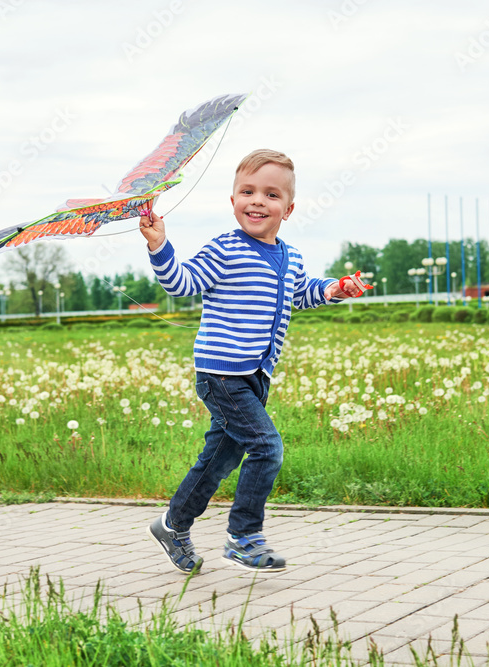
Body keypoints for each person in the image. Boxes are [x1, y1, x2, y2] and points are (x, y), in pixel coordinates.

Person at [139, 148, 368, 573]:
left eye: (271, 194)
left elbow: (300, 294)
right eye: (247, 192)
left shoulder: (291, 256)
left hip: (256, 376)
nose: (258, 201)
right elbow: (182, 283)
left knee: (220, 460)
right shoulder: (225, 249)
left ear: (288, 209)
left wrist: (335, 289)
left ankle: (172, 525)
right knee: (266, 447)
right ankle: (243, 537)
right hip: (221, 373)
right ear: (233, 201)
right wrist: (159, 245)